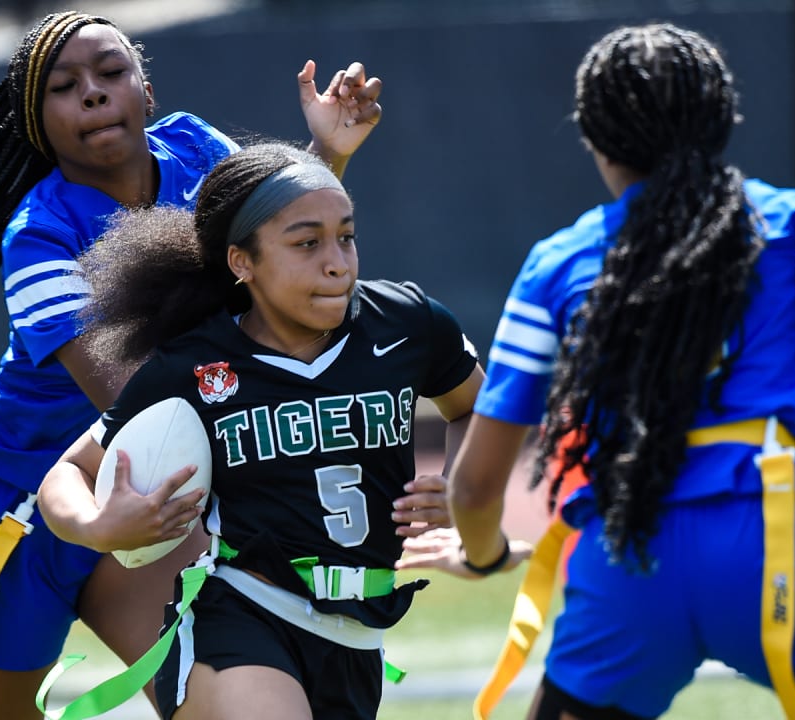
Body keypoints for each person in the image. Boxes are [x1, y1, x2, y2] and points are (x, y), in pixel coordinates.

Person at [0, 11, 389, 720]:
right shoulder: (40, 235)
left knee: (239, 706)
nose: (93, 94)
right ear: (37, 123)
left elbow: (282, 244)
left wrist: (324, 151)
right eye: (64, 86)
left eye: (110, 72)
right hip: (19, 510)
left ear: (145, 91)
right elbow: (129, 393)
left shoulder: (196, 150)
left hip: (150, 484)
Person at [446, 22, 795, 719]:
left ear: (593, 135)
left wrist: (487, 555)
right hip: (776, 545)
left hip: (626, 554)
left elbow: (476, 486)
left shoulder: (556, 261)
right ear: (722, 116)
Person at [36, 141, 529, 719]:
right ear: (242, 262)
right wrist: (98, 527)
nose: (338, 262)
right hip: (245, 611)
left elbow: (477, 408)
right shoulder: (195, 364)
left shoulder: (407, 322)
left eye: (346, 236)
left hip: (358, 635)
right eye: (306, 243)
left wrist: (460, 480)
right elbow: (68, 474)